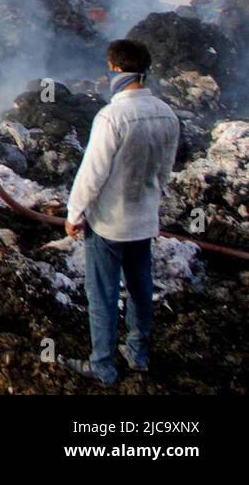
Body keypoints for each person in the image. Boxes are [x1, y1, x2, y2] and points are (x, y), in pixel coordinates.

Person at [59, 39, 179, 387]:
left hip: (109, 223)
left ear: (115, 69)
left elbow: (92, 173)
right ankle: (138, 355)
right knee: (141, 288)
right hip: (144, 219)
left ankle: (103, 366)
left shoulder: (111, 117)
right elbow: (165, 171)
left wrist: (74, 212)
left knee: (103, 294)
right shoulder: (167, 114)